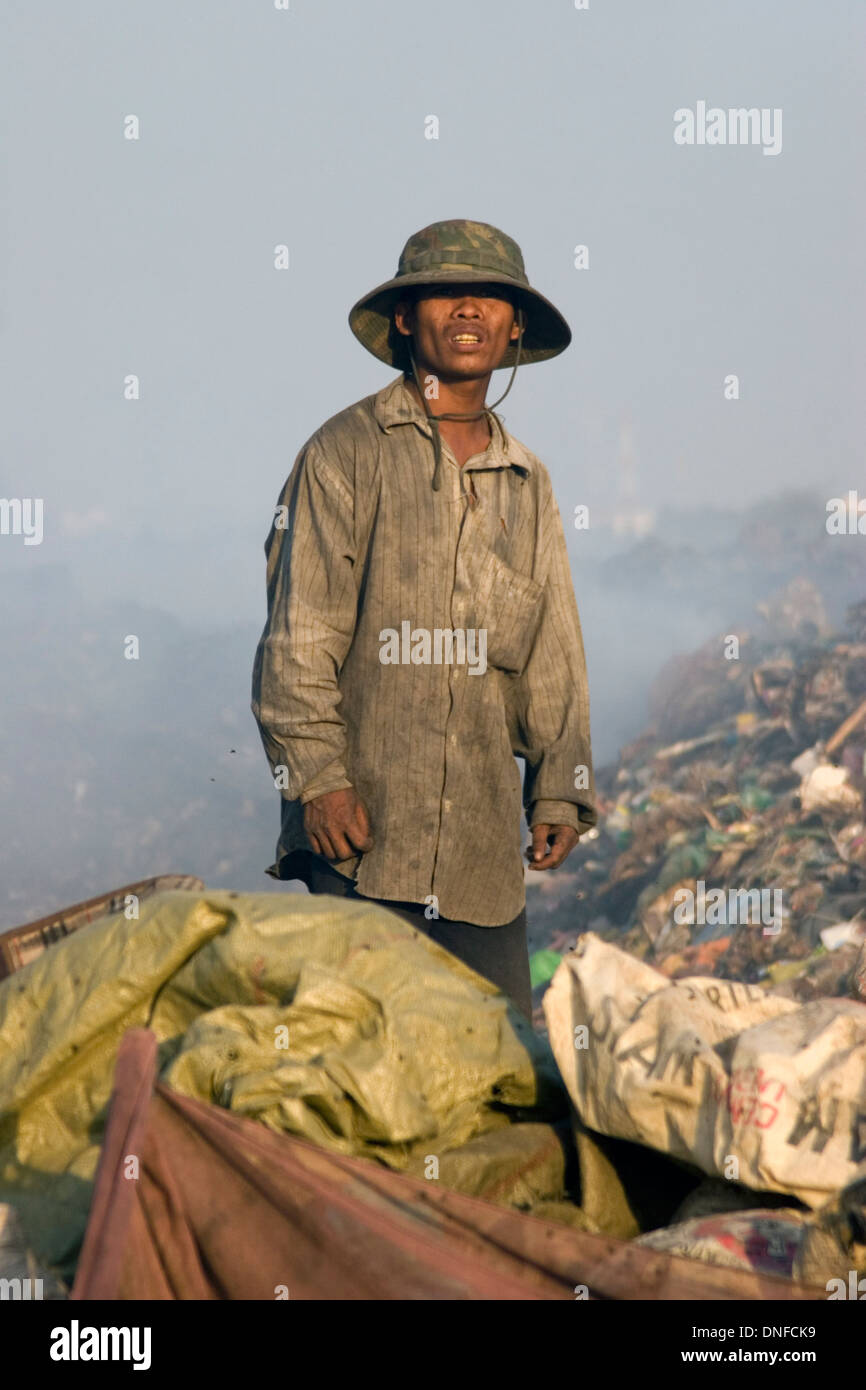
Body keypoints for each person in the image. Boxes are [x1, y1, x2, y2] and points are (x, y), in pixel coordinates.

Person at [251, 219, 596, 1019]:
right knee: (355, 1087)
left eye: (492, 297)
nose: (469, 308)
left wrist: (557, 789)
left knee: (490, 1085)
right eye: (446, 292)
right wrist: (320, 781)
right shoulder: (345, 454)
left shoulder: (526, 483)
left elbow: (554, 653)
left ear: (514, 328)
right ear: (407, 317)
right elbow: (298, 638)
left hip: (480, 863)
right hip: (362, 845)